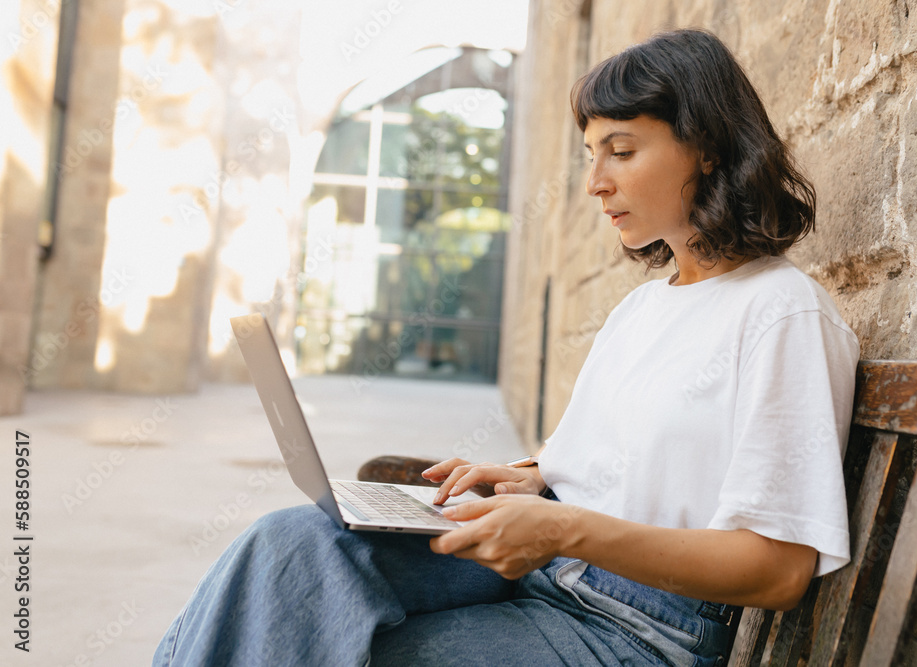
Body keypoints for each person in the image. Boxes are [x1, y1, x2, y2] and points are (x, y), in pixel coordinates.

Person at [154, 28, 859, 666]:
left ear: (706, 148)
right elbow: (611, 468)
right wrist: (531, 480)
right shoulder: (645, 307)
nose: (595, 183)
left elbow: (777, 568)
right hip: (552, 571)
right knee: (290, 547)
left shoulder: (780, 313)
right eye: (591, 155)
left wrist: (562, 526)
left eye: (622, 150)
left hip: (638, 628)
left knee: (330, 641)